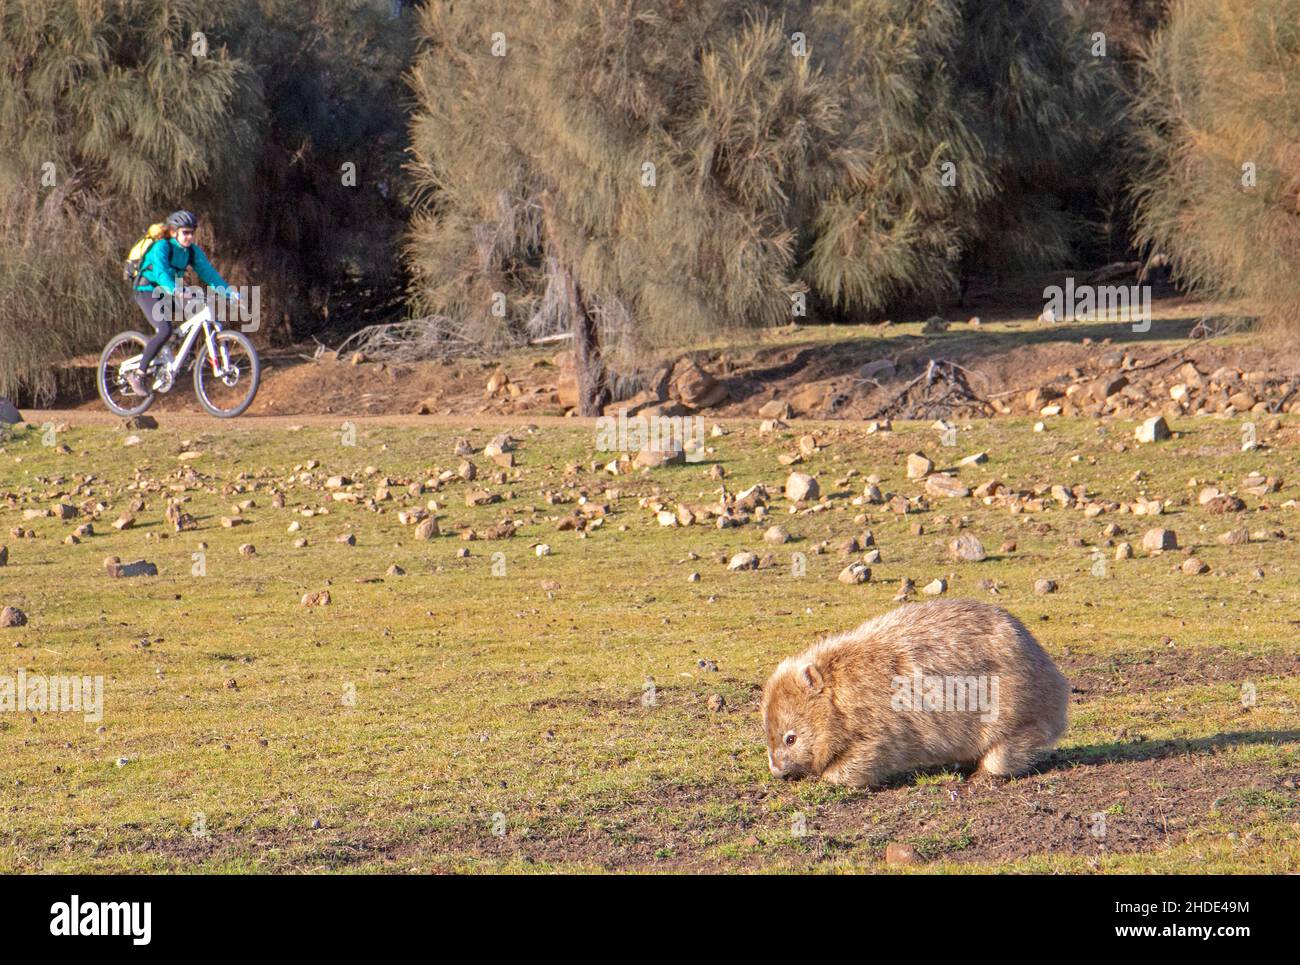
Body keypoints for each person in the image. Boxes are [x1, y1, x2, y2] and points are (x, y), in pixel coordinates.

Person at [129, 210, 236, 395]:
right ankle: (138, 374)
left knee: (192, 317)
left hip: (169, 291)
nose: (189, 237)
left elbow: (208, 272)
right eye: (185, 232)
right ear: (173, 232)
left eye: (191, 232)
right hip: (147, 290)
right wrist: (176, 290)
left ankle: (177, 356)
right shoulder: (162, 247)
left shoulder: (191, 252)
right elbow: (161, 272)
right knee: (165, 330)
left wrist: (228, 292)